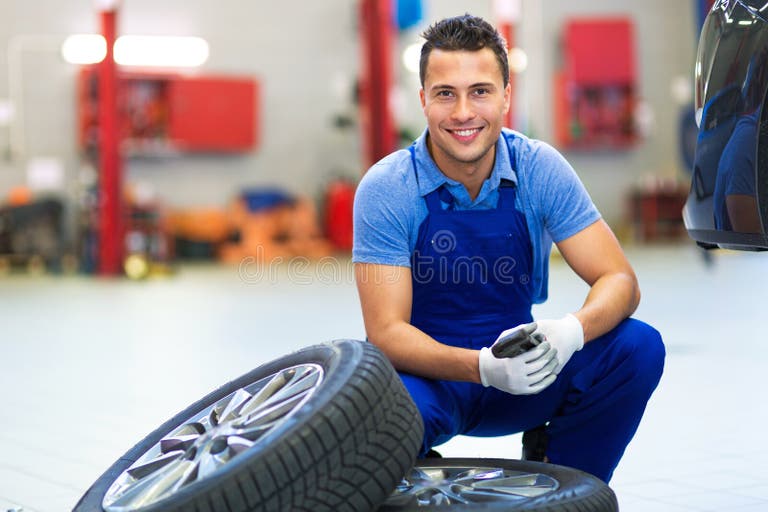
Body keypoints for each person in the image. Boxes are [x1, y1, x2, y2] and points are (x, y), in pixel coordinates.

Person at [352, 13, 664, 483]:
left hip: (524, 378)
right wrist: (478, 367)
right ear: (423, 100)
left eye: (480, 91)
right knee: (365, 408)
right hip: (428, 385)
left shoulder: (539, 168)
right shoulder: (388, 187)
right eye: (445, 94)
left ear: (505, 97)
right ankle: (414, 479)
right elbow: (387, 333)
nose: (462, 112)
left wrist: (570, 333)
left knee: (637, 347)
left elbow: (619, 279)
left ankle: (562, 479)